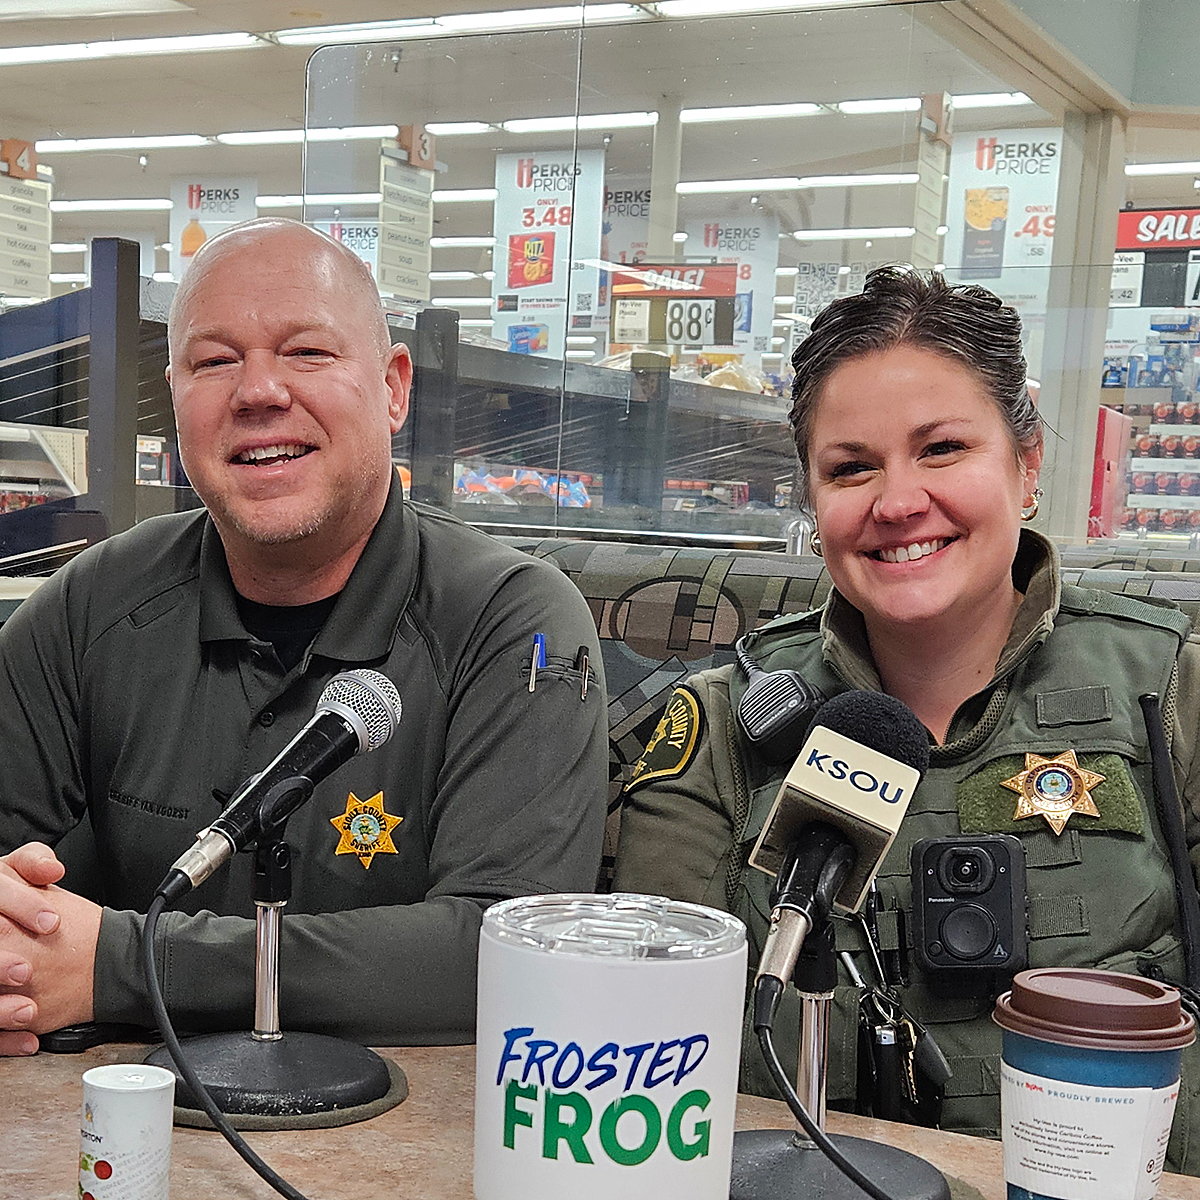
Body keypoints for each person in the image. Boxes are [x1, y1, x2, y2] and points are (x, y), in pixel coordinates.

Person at [614, 266, 1200, 1171]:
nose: (896, 503)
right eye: (851, 467)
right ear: (812, 499)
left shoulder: (1170, 691)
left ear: (1028, 458)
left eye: (941, 450)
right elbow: (649, 1053)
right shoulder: (725, 725)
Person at [0, 217, 607, 1056]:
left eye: (308, 353)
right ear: (175, 398)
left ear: (395, 388)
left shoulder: (513, 623)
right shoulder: (90, 607)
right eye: (214, 362)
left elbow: (501, 950)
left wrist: (120, 965)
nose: (258, 392)